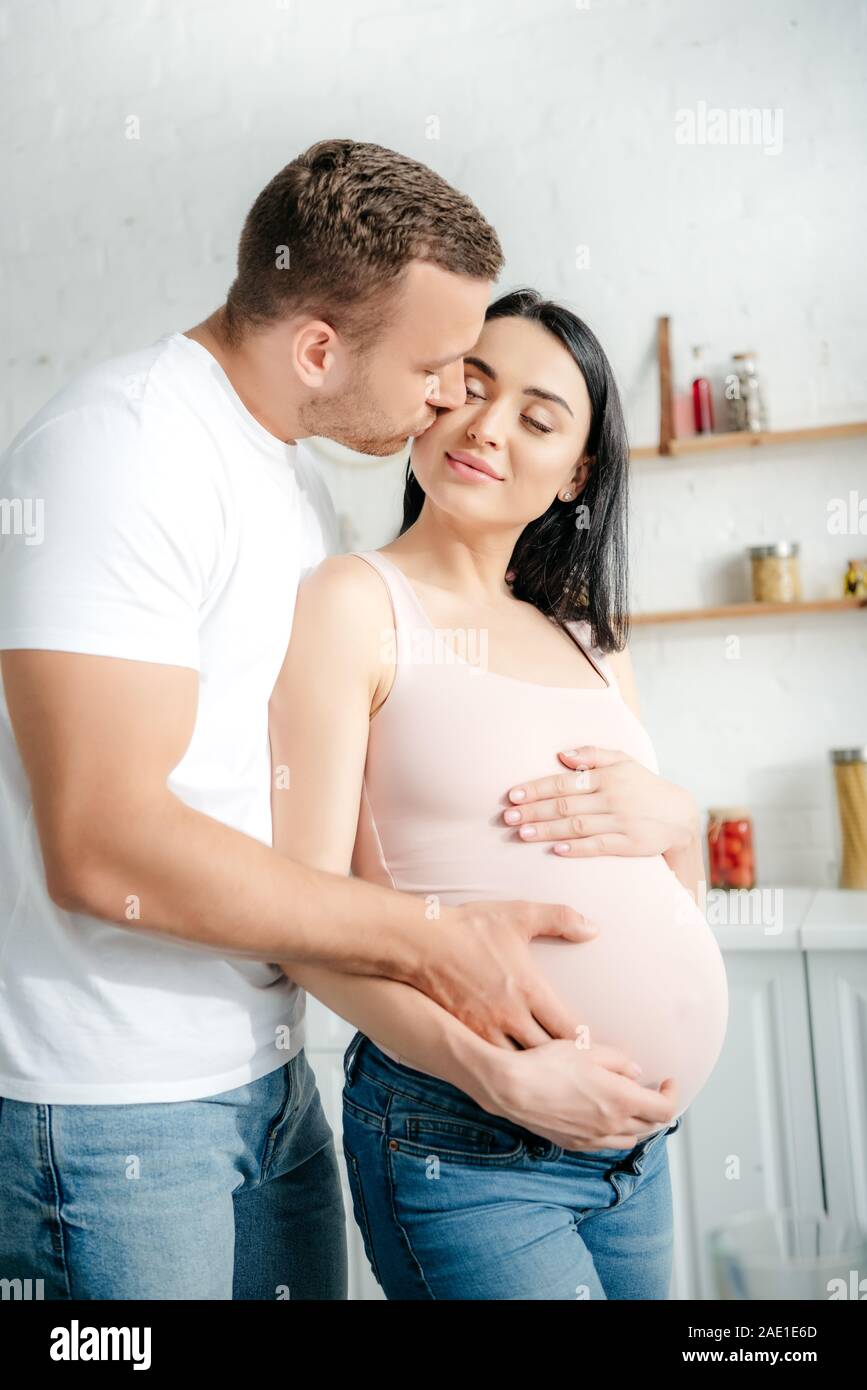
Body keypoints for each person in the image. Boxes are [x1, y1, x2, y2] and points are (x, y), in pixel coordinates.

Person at [0, 141, 600, 1302]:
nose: (448, 399)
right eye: (437, 367)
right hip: (109, 1111)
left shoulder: (296, 481)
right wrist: (430, 939)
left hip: (268, 1081)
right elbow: (101, 844)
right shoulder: (117, 451)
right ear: (318, 347)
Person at [269, 288, 729, 1299]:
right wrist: (495, 1072)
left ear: (580, 473)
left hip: (636, 1150)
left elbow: (656, 883)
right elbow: (299, 918)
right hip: (467, 1139)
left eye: (538, 416)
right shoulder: (355, 601)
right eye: (468, 388)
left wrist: (683, 824)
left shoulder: (592, 639)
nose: (485, 426)